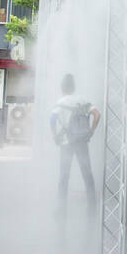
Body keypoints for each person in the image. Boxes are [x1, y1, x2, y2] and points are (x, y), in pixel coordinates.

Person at [50, 73, 100, 206]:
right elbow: (97, 114)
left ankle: (61, 207)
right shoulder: (83, 100)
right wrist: (91, 130)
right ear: (73, 87)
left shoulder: (60, 102)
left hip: (67, 143)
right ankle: (92, 207)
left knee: (64, 176)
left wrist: (54, 136)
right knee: (87, 175)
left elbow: (52, 120)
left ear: (62, 88)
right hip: (82, 142)